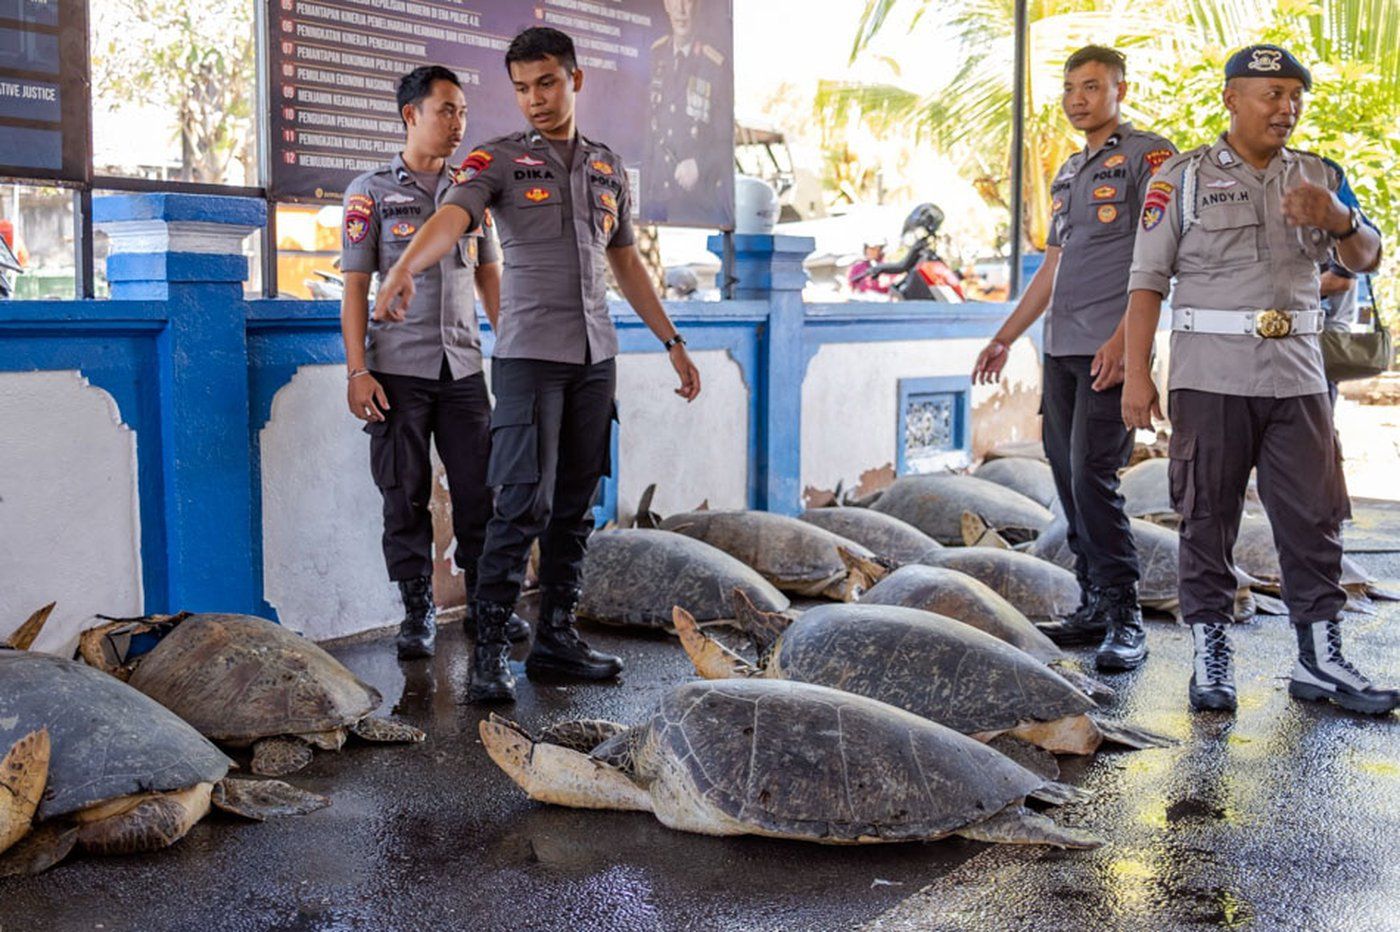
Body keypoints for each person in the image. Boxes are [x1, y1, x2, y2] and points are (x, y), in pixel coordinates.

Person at [376, 27, 702, 703]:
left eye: (546, 83)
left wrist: (671, 341)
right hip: (528, 359)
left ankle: (556, 638)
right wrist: (406, 265)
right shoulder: (496, 160)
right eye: (522, 88)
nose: (535, 99)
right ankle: (491, 651)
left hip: (594, 359)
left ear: (575, 79)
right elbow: (452, 217)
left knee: (575, 507)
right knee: (521, 504)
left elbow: (625, 260)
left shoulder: (609, 167)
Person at [1122, 44, 1397, 715]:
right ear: (1231, 100)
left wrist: (1338, 219)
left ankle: (1320, 659)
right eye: (1272, 94)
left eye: (1295, 95)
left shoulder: (1320, 175)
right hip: (1211, 377)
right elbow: (1147, 281)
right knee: (1206, 518)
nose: (1287, 107)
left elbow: (1367, 256)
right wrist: (1136, 376)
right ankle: (1211, 655)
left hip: (1299, 378)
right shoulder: (1182, 180)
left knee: (1315, 518)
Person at [973, 46, 1176, 672]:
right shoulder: (1068, 172)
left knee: (1093, 475)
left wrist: (1126, 341)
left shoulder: (1148, 157)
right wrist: (1006, 336)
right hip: (1061, 349)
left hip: (1109, 350)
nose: (1077, 99)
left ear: (1120, 90)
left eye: (1091, 86)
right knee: (1066, 476)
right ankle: (1092, 604)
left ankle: (1125, 616)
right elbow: (1052, 268)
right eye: (1069, 88)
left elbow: (1162, 256)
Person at [340, 65, 527, 661]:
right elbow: (355, 288)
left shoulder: (472, 192)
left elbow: (490, 279)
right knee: (404, 493)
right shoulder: (370, 192)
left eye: (463, 112)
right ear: (411, 115)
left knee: (480, 492)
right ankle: (417, 611)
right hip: (396, 372)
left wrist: (513, 351)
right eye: (446, 110)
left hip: (463, 369)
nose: (458, 123)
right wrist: (356, 371)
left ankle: (485, 607)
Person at [643, 0, 730, 219]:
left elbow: (727, 140)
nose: (681, 9)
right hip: (655, 194)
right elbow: (649, 126)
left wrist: (700, 165)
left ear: (696, 5)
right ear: (666, 5)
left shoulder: (713, 64)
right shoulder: (656, 54)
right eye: (675, 1)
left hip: (692, 200)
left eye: (687, 1)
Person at [1319, 257, 1359, 405]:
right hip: (1321, 335)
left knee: (1318, 405)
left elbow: (1341, 280)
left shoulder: (1338, 244)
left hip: (1326, 336)